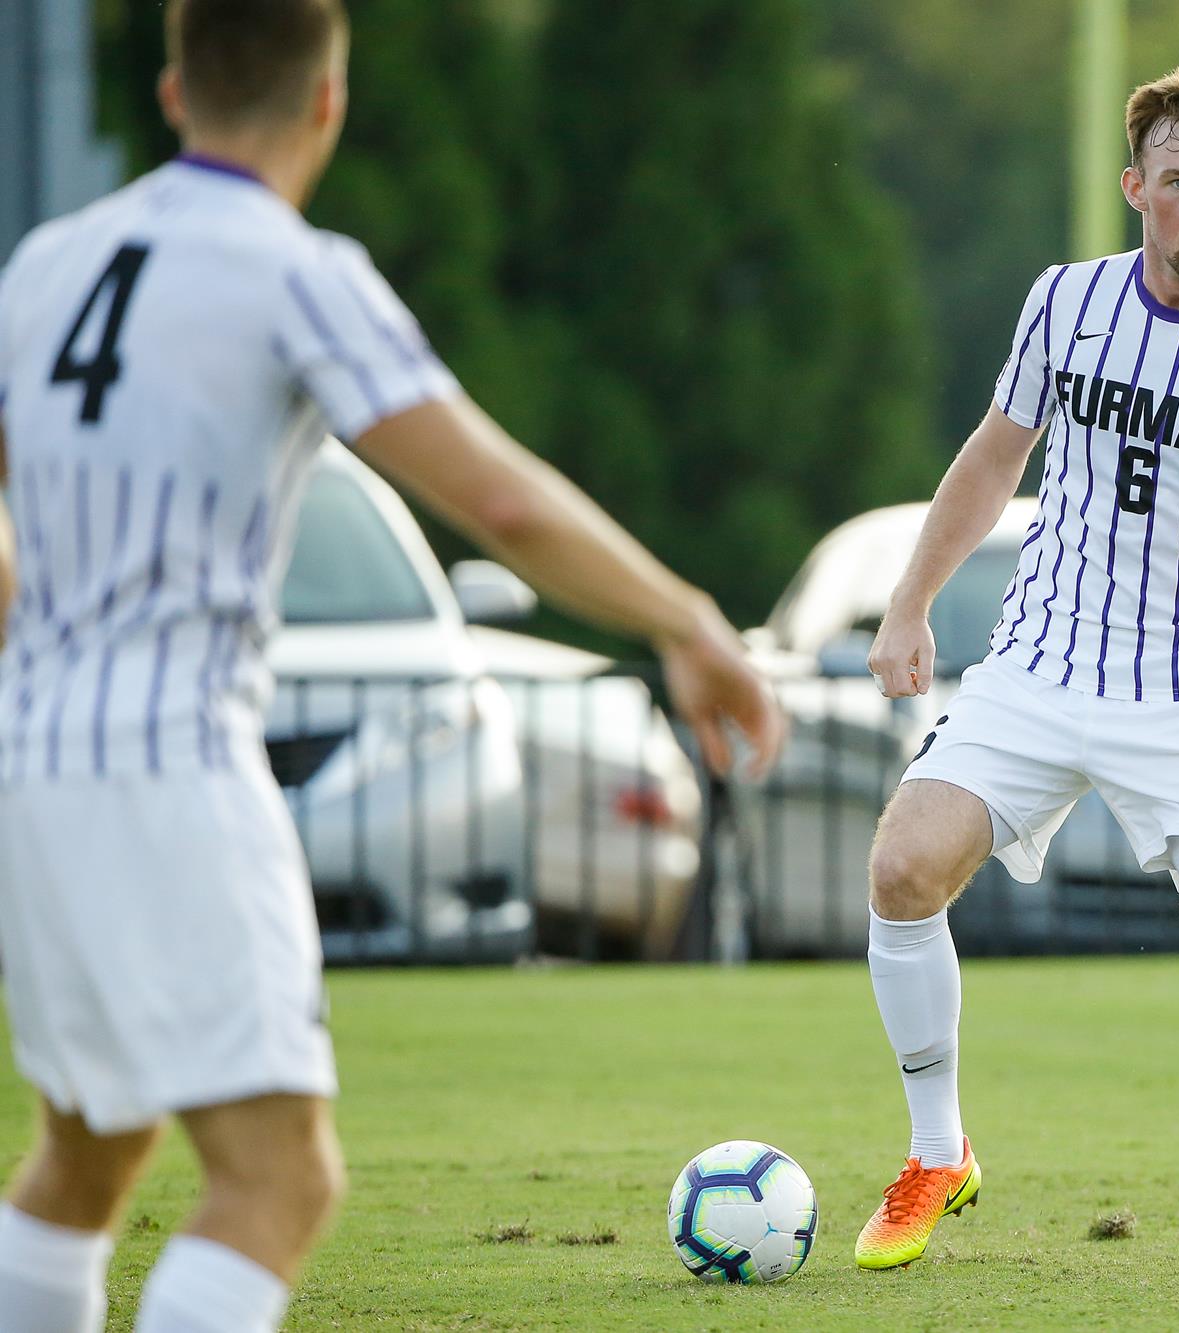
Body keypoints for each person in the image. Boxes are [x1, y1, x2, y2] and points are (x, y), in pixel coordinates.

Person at [0, 2, 784, 1328]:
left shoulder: (47, 263)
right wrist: (690, 622)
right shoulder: (296, 270)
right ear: (327, 102)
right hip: (172, 766)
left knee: (85, 1155)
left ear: (176, 87)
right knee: (278, 1182)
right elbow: (505, 504)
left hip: (31, 763)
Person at [853, 65, 1179, 1270]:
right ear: (1133, 186)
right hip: (1037, 666)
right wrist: (909, 603)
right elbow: (993, 459)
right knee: (899, 870)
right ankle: (936, 1152)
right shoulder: (1065, 302)